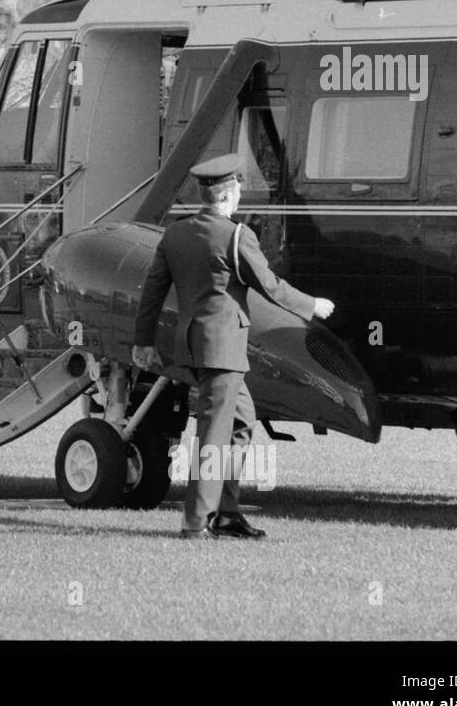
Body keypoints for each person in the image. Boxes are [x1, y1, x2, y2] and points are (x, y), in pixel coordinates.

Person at [132, 155, 334, 540]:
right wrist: (312, 305)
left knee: (241, 424)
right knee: (213, 434)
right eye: (239, 187)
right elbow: (270, 286)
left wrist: (143, 342)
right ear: (229, 193)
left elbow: (152, 292)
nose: (241, 193)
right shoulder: (236, 236)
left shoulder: (175, 234)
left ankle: (226, 513)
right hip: (222, 348)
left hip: (195, 346)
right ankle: (196, 521)